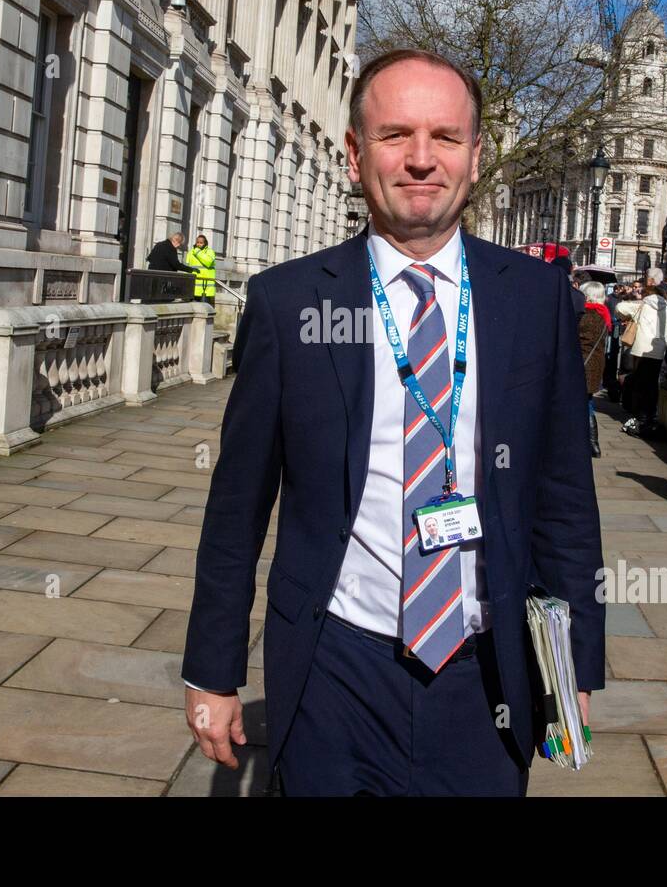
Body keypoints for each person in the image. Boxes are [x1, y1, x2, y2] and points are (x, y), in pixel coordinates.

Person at [182, 48, 605, 797]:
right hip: (334, 669)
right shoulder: (290, 304)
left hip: (489, 673)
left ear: (476, 157)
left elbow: (565, 495)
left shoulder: (536, 299)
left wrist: (576, 668)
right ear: (355, 153)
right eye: (395, 135)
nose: (420, 159)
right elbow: (236, 508)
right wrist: (214, 672)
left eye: (445, 137)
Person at [615, 284, 667, 436]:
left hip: (641, 351)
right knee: (652, 385)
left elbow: (619, 308)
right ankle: (650, 415)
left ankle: (639, 417)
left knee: (639, 383)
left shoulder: (642, 306)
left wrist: (637, 303)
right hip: (657, 352)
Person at [579, 281, 611, 459]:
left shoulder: (586, 315)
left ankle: (591, 443)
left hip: (582, 365)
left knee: (583, 403)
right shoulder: (604, 315)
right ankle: (592, 443)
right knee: (588, 402)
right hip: (595, 366)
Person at [186, 233, 217, 305]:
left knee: (206, 310)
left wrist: (197, 252)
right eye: (197, 242)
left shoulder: (209, 251)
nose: (199, 244)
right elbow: (188, 266)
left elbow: (208, 262)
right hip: (193, 287)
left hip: (205, 288)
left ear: (205, 243)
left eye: (201, 243)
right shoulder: (191, 252)